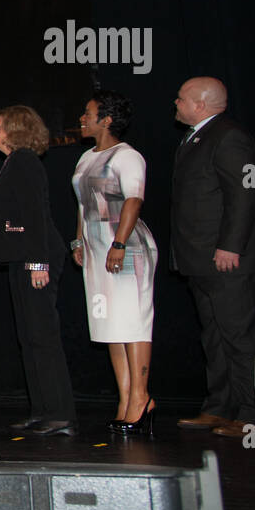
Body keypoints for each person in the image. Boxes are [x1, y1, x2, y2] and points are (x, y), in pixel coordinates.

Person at [170, 77, 255, 438]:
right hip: (201, 260)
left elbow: (245, 193)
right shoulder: (197, 136)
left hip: (229, 260)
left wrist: (231, 244)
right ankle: (220, 407)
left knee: (243, 338)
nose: (176, 104)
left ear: (199, 103)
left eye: (181, 99)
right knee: (214, 336)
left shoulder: (230, 136)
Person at [71, 92, 159, 435]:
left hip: (126, 245)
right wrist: (79, 241)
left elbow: (134, 201)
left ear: (107, 119)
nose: (82, 117)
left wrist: (119, 243)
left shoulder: (127, 156)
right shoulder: (86, 157)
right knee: (110, 326)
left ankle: (141, 399)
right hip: (95, 247)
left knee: (133, 322)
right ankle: (126, 401)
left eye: (88, 113)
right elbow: (82, 205)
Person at [0, 106, 77, 436]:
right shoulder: (15, 163)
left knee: (42, 336)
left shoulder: (23, 162)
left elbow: (35, 215)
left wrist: (38, 263)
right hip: (21, 259)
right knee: (29, 337)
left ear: (15, 130)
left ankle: (61, 414)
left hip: (35, 259)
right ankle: (42, 410)